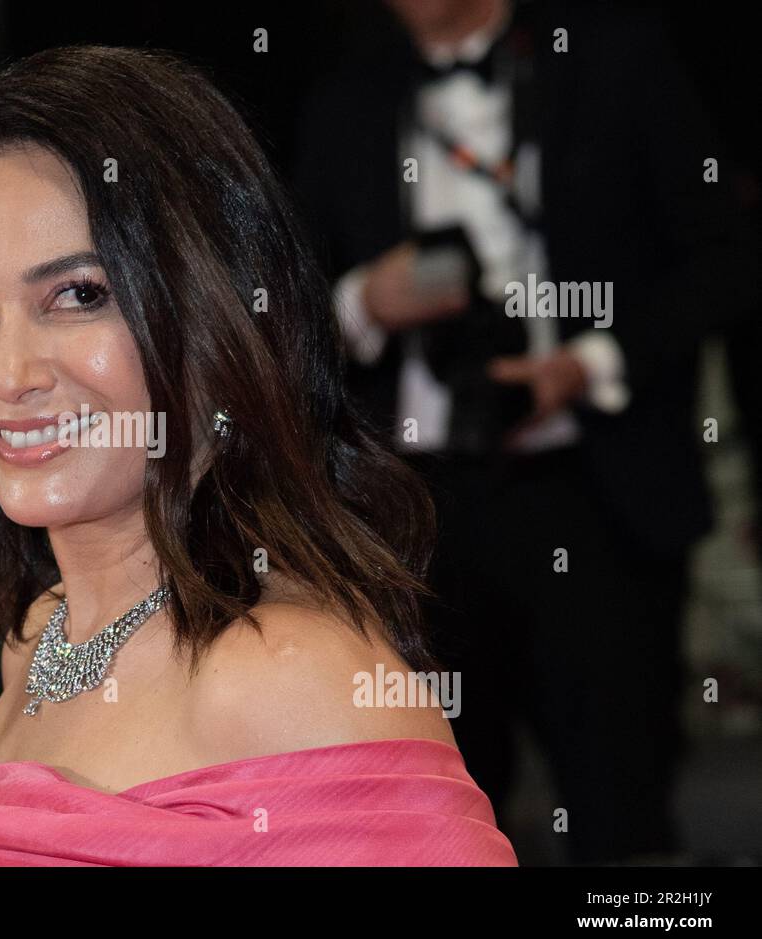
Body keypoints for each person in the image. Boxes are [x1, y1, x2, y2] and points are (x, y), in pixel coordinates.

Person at [0, 44, 517, 866]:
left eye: (79, 295)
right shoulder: (41, 637)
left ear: (213, 320)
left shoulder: (291, 674)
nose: (9, 375)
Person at [292, 0, 760, 863]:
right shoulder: (344, 98)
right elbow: (271, 311)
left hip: (593, 485)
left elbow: (725, 258)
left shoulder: (614, 57)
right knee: (437, 812)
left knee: (620, 805)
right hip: (415, 509)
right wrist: (363, 303)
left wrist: (591, 361)